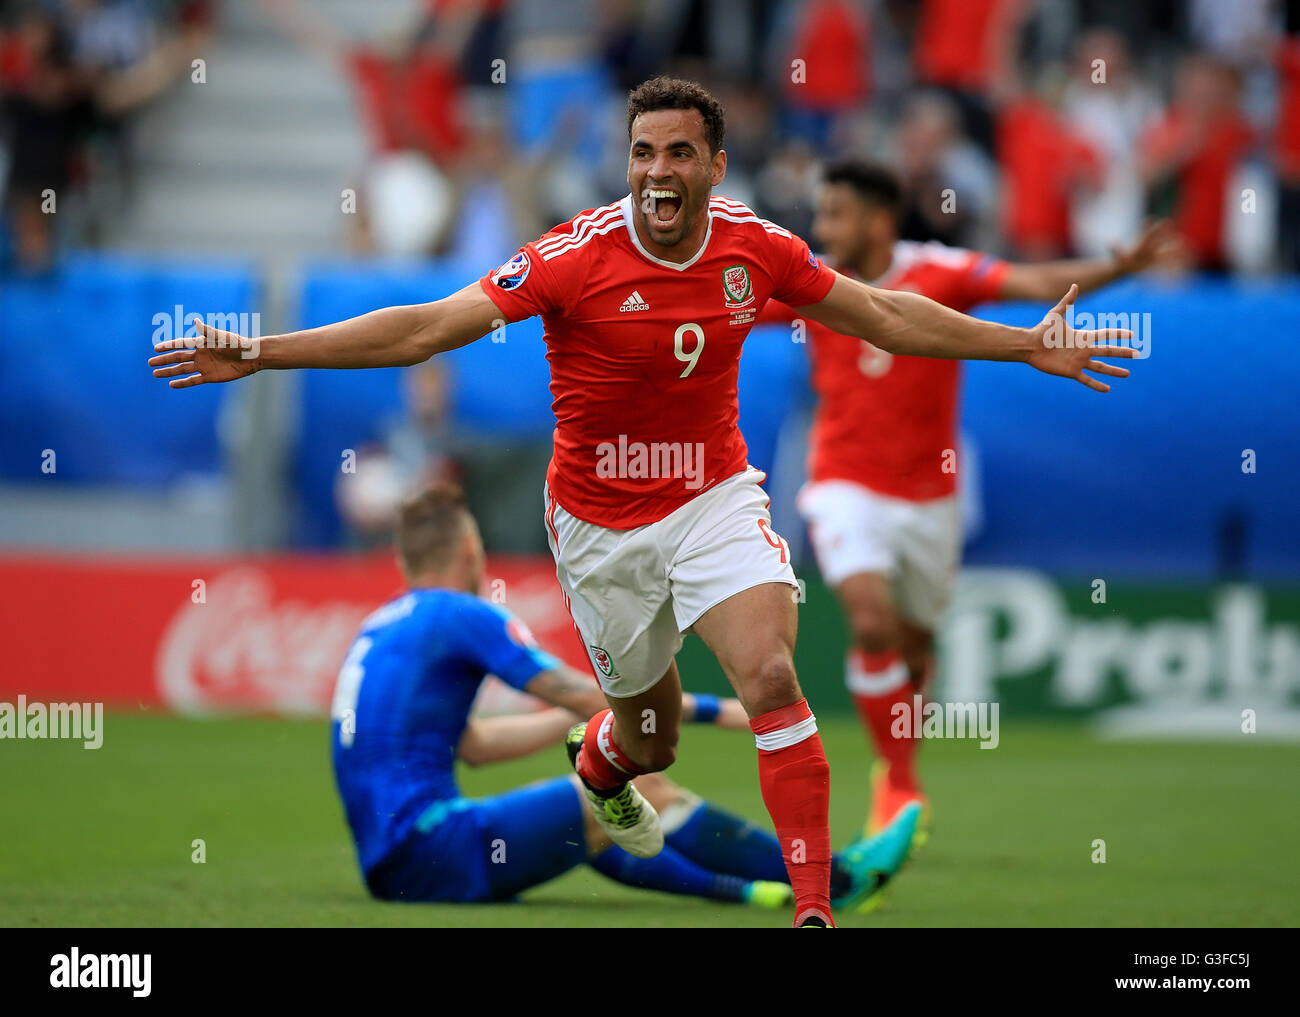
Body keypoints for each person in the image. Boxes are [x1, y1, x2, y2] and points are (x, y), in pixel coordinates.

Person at [150, 76, 1136, 928]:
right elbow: (425, 327)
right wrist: (262, 351)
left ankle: (813, 906)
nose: (655, 172)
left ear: (714, 165)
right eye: (640, 153)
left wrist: (1022, 343)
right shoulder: (575, 254)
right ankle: (603, 768)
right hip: (597, 528)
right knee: (649, 736)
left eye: (677, 154)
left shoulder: (756, 250)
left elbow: (879, 310)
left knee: (772, 678)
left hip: (711, 495)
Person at [767, 160, 1172, 841]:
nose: (821, 228)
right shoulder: (810, 282)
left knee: (917, 647)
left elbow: (1035, 283)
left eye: (835, 213)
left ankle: (898, 763)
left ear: (877, 219)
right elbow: (726, 301)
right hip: (842, 482)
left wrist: (1117, 269)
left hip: (930, 495)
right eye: (821, 213)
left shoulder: (941, 273)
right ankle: (897, 785)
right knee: (871, 622)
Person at [330, 483, 920, 911]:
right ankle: (839, 881)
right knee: (631, 791)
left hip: (392, 866)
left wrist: (584, 720)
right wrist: (714, 710)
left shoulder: (383, 623)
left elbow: (476, 746)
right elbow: (582, 694)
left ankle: (748, 890)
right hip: (435, 844)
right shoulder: (461, 614)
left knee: (602, 806)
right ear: (467, 552)